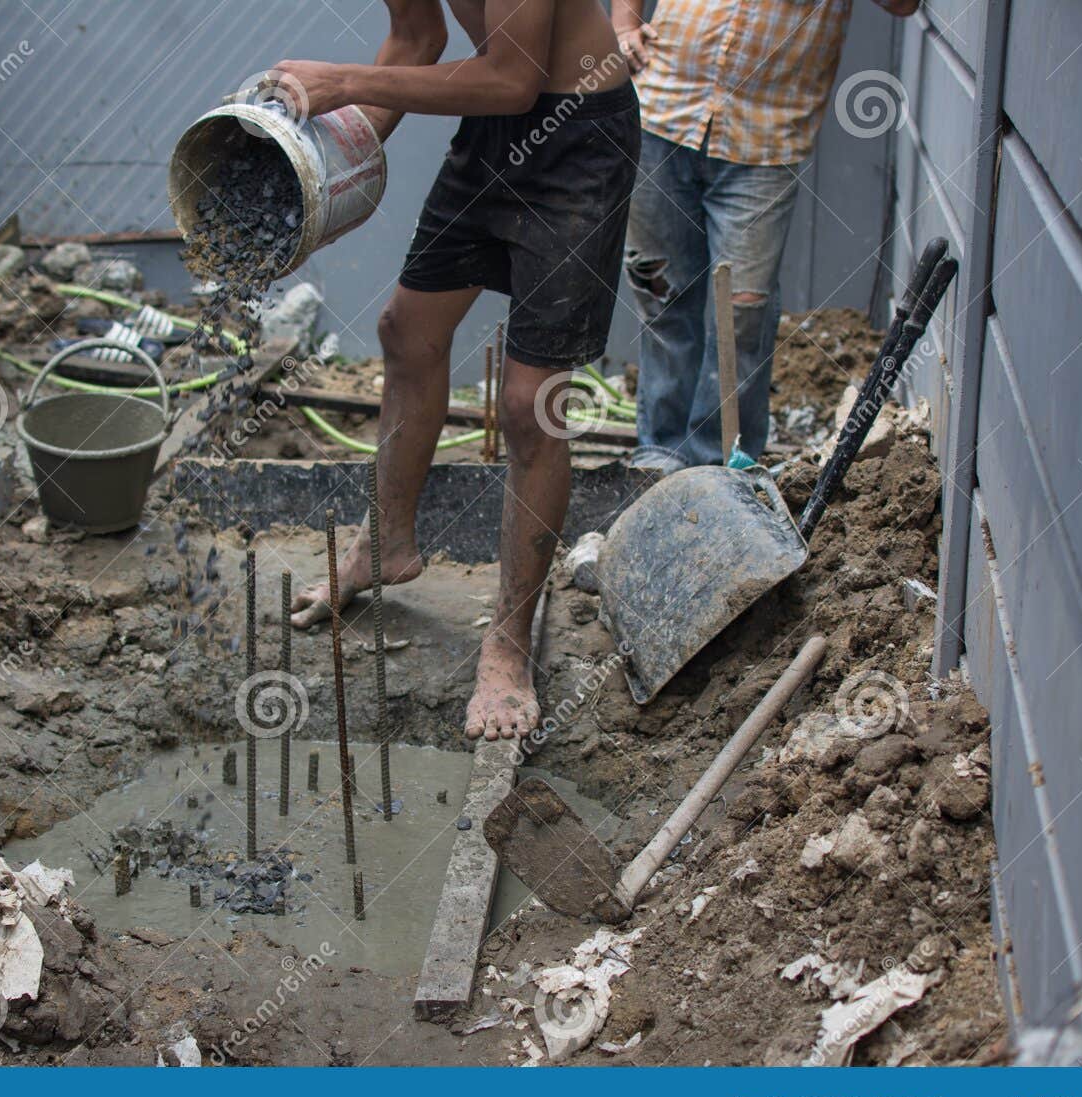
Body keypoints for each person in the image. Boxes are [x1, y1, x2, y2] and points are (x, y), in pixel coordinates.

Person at [272, 1, 640, 741]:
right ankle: (387, 545)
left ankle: (507, 644)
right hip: (495, 133)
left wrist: (341, 80)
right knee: (406, 332)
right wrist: (316, 177)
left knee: (530, 400)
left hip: (577, 136)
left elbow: (511, 79)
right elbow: (418, 37)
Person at [613, 0, 920, 471]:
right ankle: (660, 458)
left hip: (765, 138)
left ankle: (717, 472)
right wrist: (624, 24)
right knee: (663, 300)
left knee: (740, 318)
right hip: (662, 109)